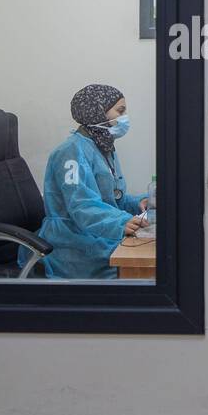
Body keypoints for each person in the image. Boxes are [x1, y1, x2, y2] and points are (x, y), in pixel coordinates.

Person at [32, 83, 148, 279]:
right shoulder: (70, 152)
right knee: (140, 272)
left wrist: (139, 203)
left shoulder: (103, 147)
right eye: (120, 111)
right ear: (98, 111)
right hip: (74, 244)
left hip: (96, 236)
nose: (124, 117)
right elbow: (82, 206)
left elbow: (111, 199)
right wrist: (121, 222)